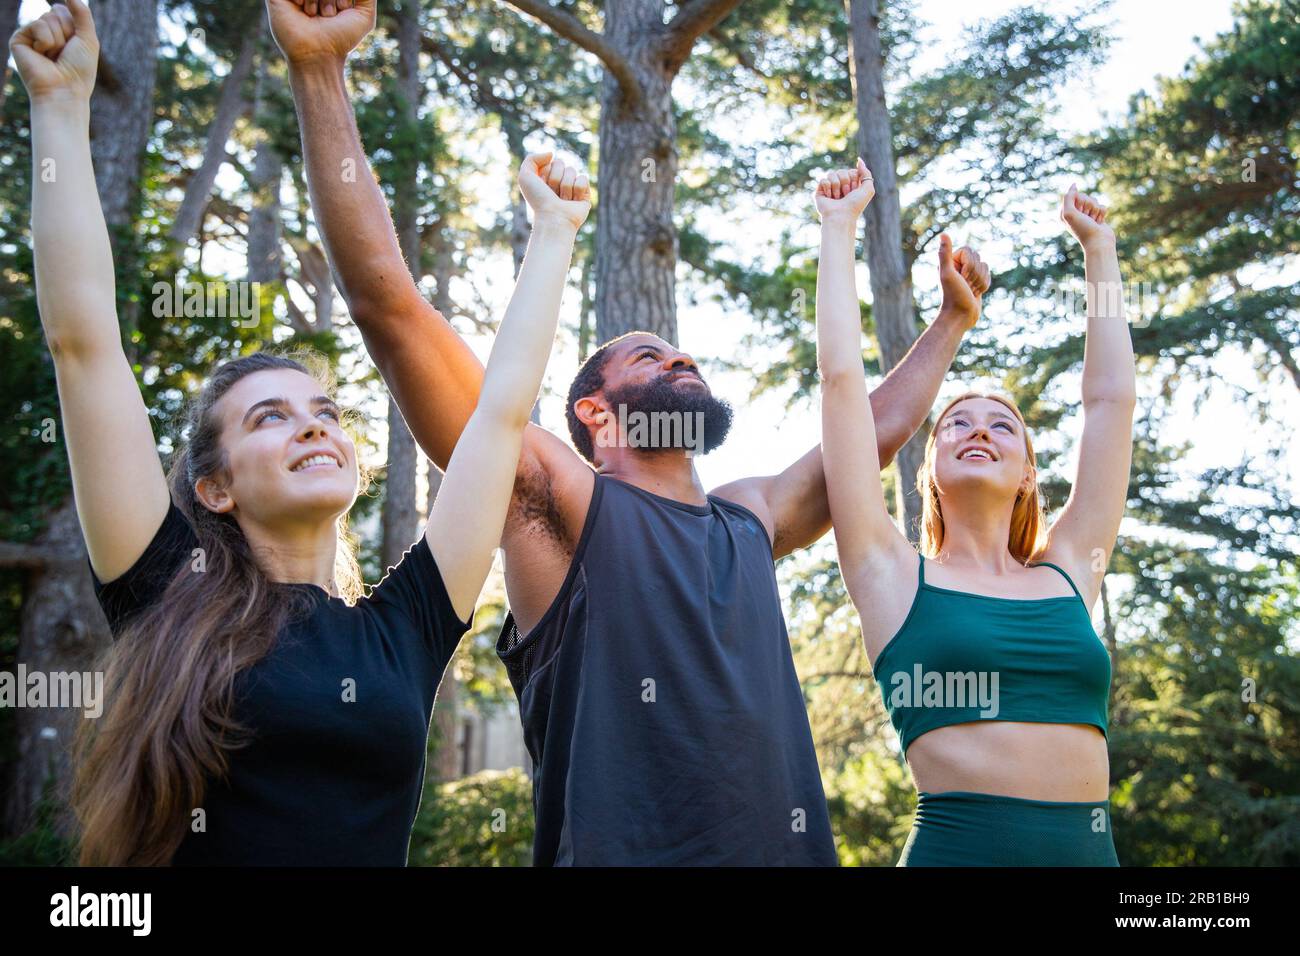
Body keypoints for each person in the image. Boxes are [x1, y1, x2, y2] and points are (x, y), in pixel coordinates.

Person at [269, 0, 989, 865]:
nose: (680, 357)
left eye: (682, 353)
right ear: (594, 412)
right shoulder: (553, 496)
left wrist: (950, 322)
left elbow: (867, 434)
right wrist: (318, 68)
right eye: (650, 356)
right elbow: (390, 307)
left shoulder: (748, 518)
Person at [12, 0, 590, 865]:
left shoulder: (406, 626)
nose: (313, 427)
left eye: (325, 412)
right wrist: (60, 108)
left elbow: (501, 413)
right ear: (216, 486)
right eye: (269, 417)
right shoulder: (168, 585)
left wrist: (553, 232)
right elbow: (84, 345)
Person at [814, 157, 1135, 865]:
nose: (980, 429)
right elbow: (841, 386)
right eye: (956, 423)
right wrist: (839, 229)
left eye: (1003, 424)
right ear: (928, 469)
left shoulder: (1070, 574)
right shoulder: (890, 575)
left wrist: (1101, 254)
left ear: (1027, 476)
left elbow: (1111, 402)